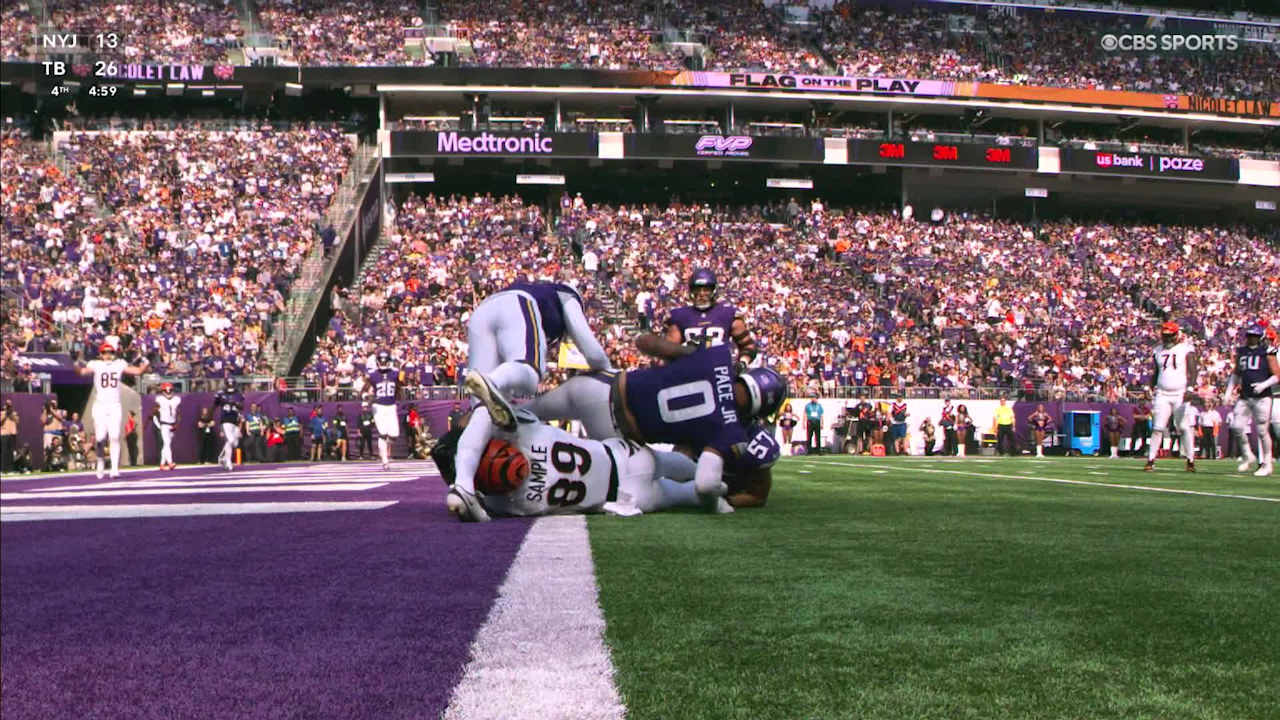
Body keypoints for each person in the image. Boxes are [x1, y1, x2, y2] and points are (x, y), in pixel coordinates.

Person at [516, 338, 786, 504]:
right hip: (613, 432)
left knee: (518, 414)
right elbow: (705, 484)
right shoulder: (730, 429)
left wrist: (685, 354)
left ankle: (476, 427)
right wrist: (723, 491)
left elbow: (644, 342)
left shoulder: (716, 357)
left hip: (597, 385)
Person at [439, 399, 733, 523]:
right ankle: (725, 474)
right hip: (624, 456)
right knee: (687, 467)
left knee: (689, 495)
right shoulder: (520, 431)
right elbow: (483, 412)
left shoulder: (502, 505)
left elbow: (471, 506)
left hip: (627, 498)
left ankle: (718, 495)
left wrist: (463, 487)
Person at [466, 281, 612, 400]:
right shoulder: (567, 295)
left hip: (482, 310)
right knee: (530, 371)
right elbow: (593, 352)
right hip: (516, 303)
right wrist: (611, 375)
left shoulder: (539, 291)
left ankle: (486, 385)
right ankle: (490, 381)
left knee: (482, 405)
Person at [77, 342, 150, 479]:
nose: (108, 355)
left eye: (110, 352)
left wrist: (146, 361)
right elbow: (81, 372)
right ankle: (100, 462)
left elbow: (138, 371)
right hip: (100, 405)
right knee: (99, 438)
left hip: (114, 405)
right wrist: (74, 363)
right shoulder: (96, 364)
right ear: (100, 354)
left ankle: (115, 468)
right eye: (105, 352)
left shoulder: (119, 364)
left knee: (115, 436)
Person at [663, 269, 758, 368]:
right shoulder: (680, 316)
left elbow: (748, 345)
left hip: (721, 372)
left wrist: (742, 363)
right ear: (691, 291)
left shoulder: (727, 313)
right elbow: (669, 352)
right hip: (691, 373)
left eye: (706, 289)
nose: (702, 294)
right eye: (698, 289)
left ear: (714, 290)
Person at [1226, 323, 1279, 476]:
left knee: (1262, 430)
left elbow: (1277, 374)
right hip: (1245, 395)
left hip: (1262, 396)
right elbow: (1236, 373)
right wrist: (1229, 391)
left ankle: (1267, 463)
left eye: (1254, 336)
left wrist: (1264, 385)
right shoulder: (1241, 351)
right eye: (1249, 336)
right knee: (1236, 426)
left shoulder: (1268, 352)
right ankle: (1247, 455)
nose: (1251, 339)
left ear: (1260, 337)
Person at [1145, 321, 1198, 472]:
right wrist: (1149, 386)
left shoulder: (1185, 349)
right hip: (1162, 393)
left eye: (1169, 336)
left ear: (1176, 335)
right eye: (1165, 336)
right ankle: (1150, 460)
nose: (1167, 339)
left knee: (1183, 426)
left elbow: (1193, 370)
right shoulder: (1158, 351)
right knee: (1157, 427)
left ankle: (1190, 460)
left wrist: (1190, 388)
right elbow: (1157, 373)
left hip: (1180, 393)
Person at [365, 350, 402, 470]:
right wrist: (366, 397)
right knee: (383, 433)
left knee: (394, 434)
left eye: (385, 360)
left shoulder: (395, 373)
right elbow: (365, 388)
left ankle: (383, 449)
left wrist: (398, 396)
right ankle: (385, 461)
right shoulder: (372, 374)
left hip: (391, 406)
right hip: (379, 406)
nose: (383, 362)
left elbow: (399, 386)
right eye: (381, 360)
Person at [212, 380, 244, 471]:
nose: (230, 386)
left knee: (234, 443)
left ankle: (222, 456)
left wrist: (236, 404)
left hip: (235, 420)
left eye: (232, 384)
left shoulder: (238, 394)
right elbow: (215, 405)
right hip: (225, 420)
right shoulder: (220, 393)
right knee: (230, 440)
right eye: (229, 384)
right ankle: (228, 462)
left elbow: (242, 407)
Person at [154, 382, 181, 470]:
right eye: (166, 390)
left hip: (172, 424)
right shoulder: (159, 399)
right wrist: (159, 423)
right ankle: (170, 462)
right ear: (162, 391)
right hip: (164, 424)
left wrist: (177, 424)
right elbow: (154, 412)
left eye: (170, 390)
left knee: (166, 445)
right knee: (167, 443)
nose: (168, 392)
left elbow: (179, 413)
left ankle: (162, 464)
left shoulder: (176, 399)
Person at [0, 399, 18, 473]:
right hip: (4, 433)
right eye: (7, 405)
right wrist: (6, 414)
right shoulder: (2, 413)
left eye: (10, 405)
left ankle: (11, 469)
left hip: (12, 434)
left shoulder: (14, 413)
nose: (9, 406)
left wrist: (11, 414)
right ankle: (3, 469)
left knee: (11, 452)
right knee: (4, 452)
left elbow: (17, 421)